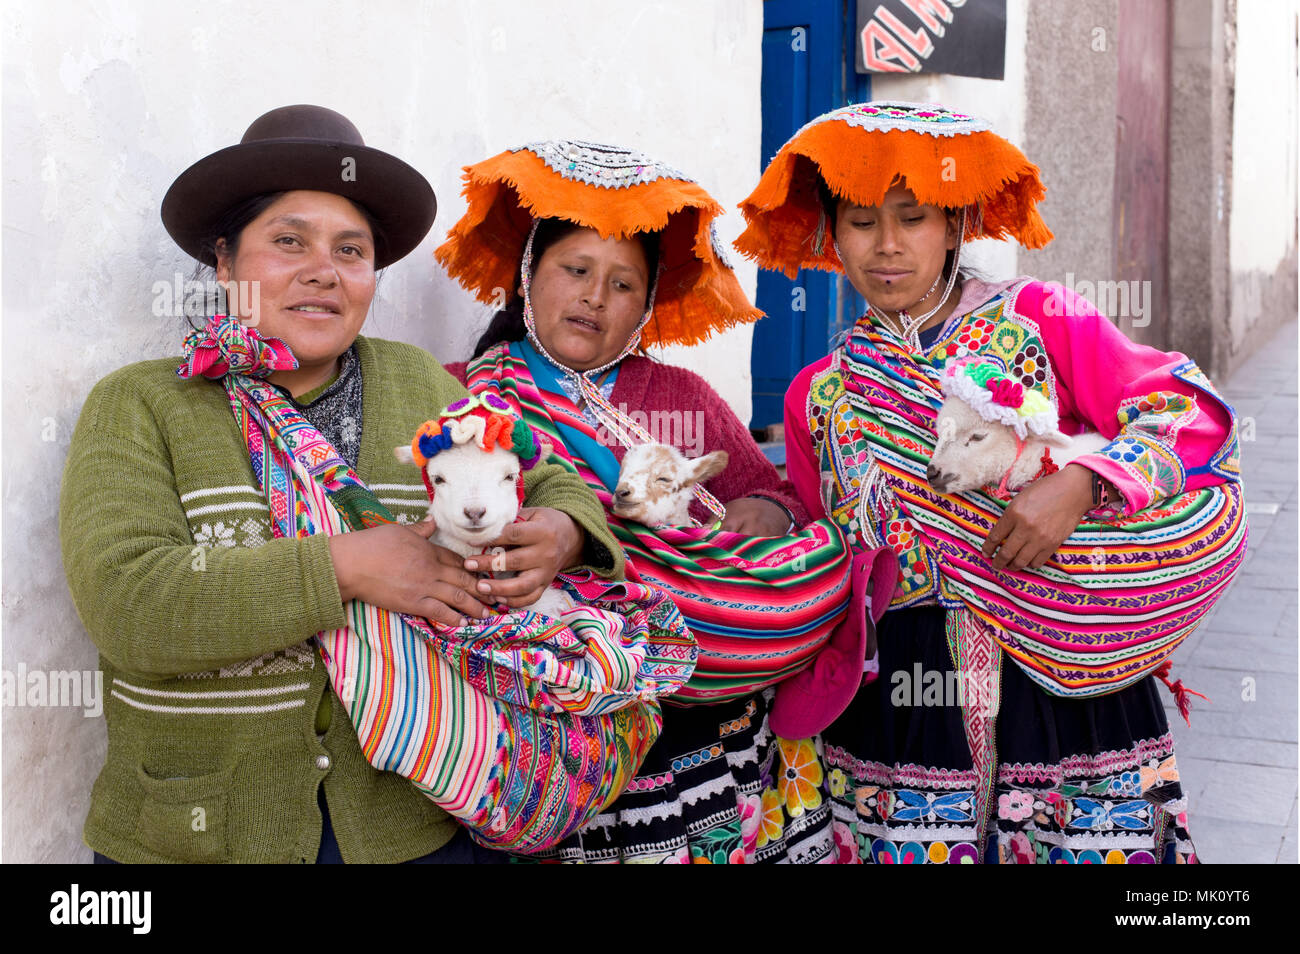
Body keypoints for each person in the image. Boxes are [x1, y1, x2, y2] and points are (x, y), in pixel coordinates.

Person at [59, 105, 624, 863]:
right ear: (224, 261)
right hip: (200, 835)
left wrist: (560, 534)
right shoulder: (141, 404)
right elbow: (131, 605)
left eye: (350, 250)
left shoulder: (421, 384)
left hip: (412, 826)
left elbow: (553, 479)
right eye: (288, 241)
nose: (323, 270)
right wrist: (351, 567)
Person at [735, 101, 1247, 864]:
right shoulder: (817, 393)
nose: (886, 246)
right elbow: (832, 544)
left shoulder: (1040, 319)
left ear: (954, 226)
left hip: (1061, 678)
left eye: (911, 218)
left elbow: (1182, 410)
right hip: (899, 707)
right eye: (861, 222)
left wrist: (1083, 480)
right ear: (830, 236)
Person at [437, 139, 859, 862]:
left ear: (647, 306)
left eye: (624, 284)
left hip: (712, 725)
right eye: (575, 270)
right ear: (529, 276)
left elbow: (769, 492)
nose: (596, 298)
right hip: (567, 727)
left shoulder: (681, 398)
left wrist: (771, 517)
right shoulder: (463, 394)